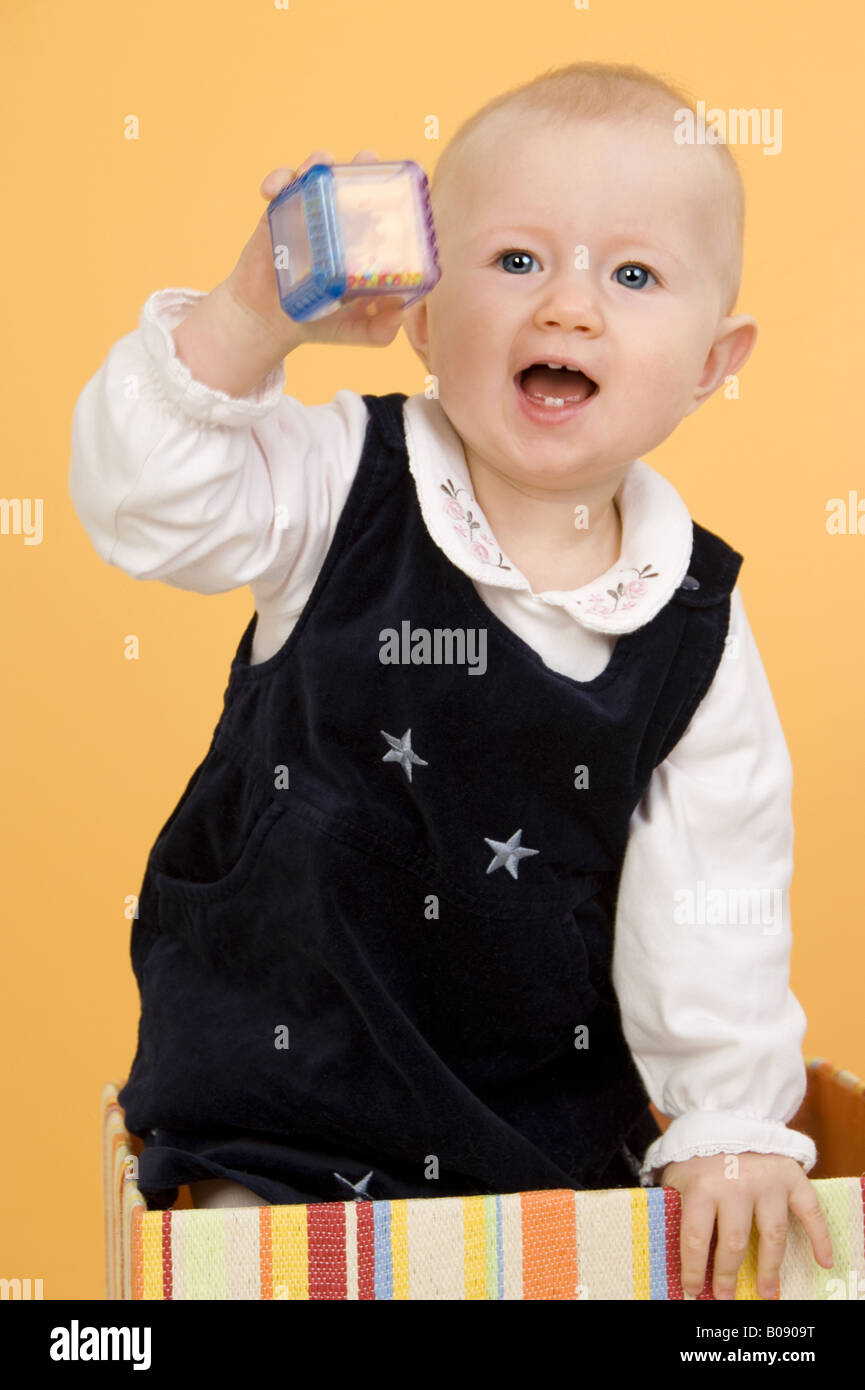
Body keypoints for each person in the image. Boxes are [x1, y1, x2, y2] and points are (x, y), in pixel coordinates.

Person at [69, 60, 834, 1300]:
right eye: (518, 261)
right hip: (279, 1103)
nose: (570, 309)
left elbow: (716, 898)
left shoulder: (691, 617)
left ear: (711, 362)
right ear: (423, 314)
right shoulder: (336, 485)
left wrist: (728, 1122)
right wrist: (250, 315)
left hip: (530, 1135)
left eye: (632, 276)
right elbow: (140, 504)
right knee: (245, 1267)